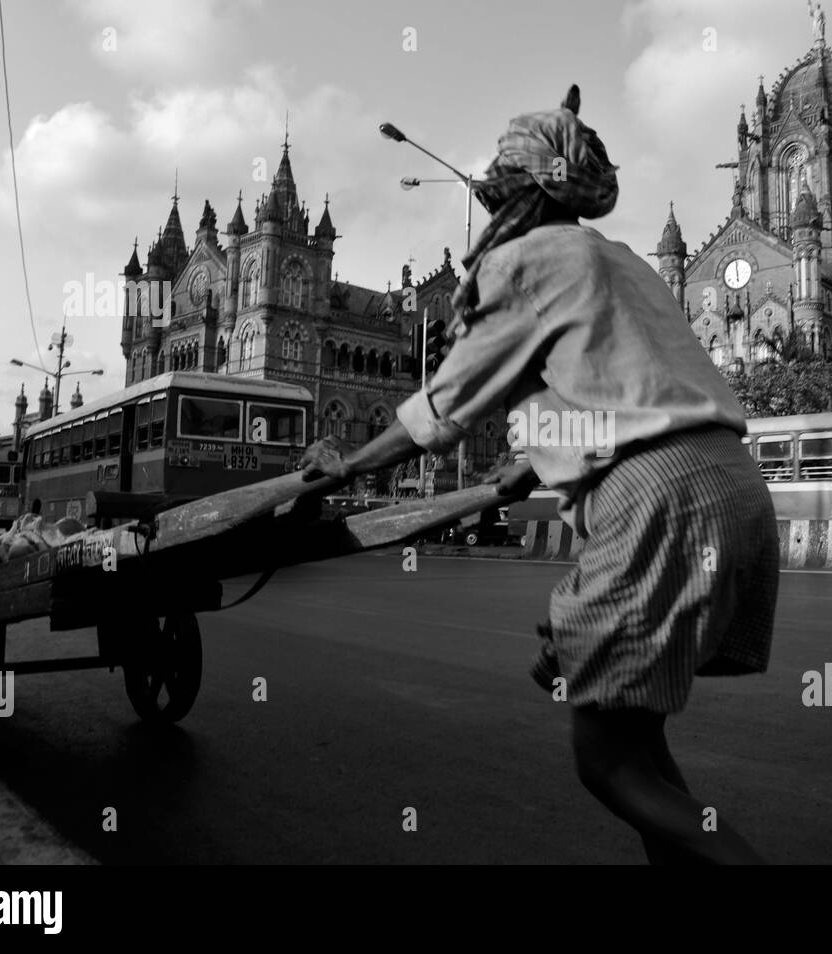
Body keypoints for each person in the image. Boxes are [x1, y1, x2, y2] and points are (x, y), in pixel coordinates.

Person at [300, 85, 779, 865]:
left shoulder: (526, 261)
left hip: (654, 497)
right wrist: (522, 472)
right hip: (731, 486)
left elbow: (441, 408)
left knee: (608, 763)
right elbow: (623, 392)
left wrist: (343, 467)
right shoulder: (621, 262)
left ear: (515, 194)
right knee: (642, 742)